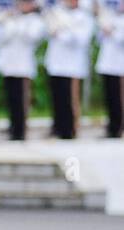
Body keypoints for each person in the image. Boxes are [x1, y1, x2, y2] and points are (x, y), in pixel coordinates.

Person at [44, 0, 94, 139]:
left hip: (72, 66)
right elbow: (49, 31)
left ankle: (70, 130)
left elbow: (81, 39)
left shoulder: (84, 16)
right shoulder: (58, 12)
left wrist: (63, 31)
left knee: (70, 100)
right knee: (57, 98)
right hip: (55, 63)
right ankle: (57, 128)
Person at [0, 0, 47, 142]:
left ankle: (21, 132)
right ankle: (12, 129)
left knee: (21, 101)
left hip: (24, 67)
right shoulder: (10, 19)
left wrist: (17, 23)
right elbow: (3, 37)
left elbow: (31, 36)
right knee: (11, 100)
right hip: (9, 66)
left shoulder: (35, 20)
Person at [101, 0, 124, 138]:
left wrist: (112, 32)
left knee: (119, 100)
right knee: (110, 98)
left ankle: (119, 128)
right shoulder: (112, 17)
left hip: (120, 66)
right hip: (107, 65)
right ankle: (111, 128)